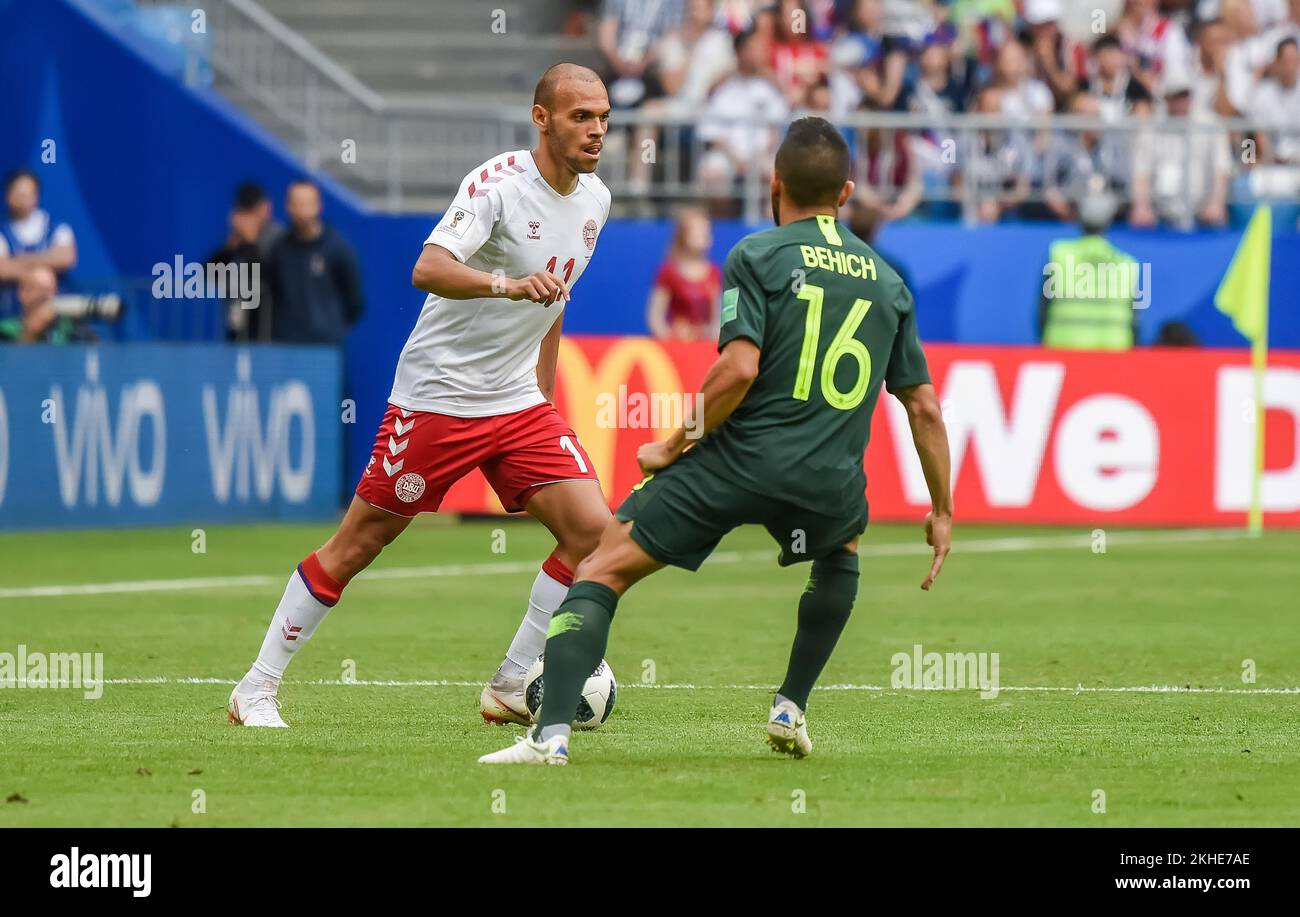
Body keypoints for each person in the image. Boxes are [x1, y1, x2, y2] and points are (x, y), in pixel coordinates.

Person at [480, 117, 954, 766]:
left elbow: (736, 370)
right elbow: (923, 404)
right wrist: (942, 507)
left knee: (602, 568)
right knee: (840, 555)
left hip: (737, 462)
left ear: (774, 182)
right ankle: (790, 704)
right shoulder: (888, 282)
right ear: (846, 192)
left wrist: (674, 443)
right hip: (828, 475)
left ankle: (549, 736)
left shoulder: (757, 255)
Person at [227, 64, 615, 729]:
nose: (598, 131)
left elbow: (556, 295)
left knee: (594, 536)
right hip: (439, 394)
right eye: (582, 117)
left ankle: (512, 680)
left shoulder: (595, 201)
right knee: (358, 544)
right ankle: (256, 687)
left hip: (516, 400)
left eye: (605, 118)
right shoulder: (495, 187)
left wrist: (543, 393)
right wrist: (504, 284)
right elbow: (426, 267)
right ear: (542, 118)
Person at [1039, 188, 1140, 350]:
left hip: (1064, 349)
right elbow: (1135, 321)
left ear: (1079, 218)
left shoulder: (1059, 254)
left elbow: (1042, 311)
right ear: (1109, 221)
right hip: (1114, 354)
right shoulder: (1127, 264)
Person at [263, 180, 363, 343]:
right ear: (288, 207)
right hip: (286, 345)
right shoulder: (279, 250)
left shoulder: (337, 248)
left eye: (307, 203)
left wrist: (330, 326)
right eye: (297, 203)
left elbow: (354, 300)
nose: (302, 209)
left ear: (319, 205)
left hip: (325, 347)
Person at [207, 181, 283, 341]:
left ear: (265, 208)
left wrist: (250, 243)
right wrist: (229, 248)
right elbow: (207, 275)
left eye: (252, 210)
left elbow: (265, 279)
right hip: (238, 327)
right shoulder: (235, 243)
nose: (248, 218)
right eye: (243, 211)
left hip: (268, 330)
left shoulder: (279, 239)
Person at [0, 170, 77, 316]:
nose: (22, 198)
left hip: (58, 310)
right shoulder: (2, 231)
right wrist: (34, 278)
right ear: (8, 195)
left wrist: (20, 260)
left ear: (36, 196)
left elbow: (65, 258)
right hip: (11, 312)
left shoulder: (58, 228)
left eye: (27, 194)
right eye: (18, 192)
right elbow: (2, 269)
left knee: (44, 279)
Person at [647, 209, 722, 340]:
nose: (703, 236)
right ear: (683, 235)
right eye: (697, 231)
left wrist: (712, 337)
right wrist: (669, 337)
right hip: (677, 345)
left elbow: (717, 317)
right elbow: (655, 317)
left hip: (705, 346)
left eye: (706, 232)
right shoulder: (669, 272)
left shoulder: (714, 272)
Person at [0, 265, 92, 344]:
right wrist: (30, 333)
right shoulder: (5, 331)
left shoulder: (71, 330)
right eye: (41, 290)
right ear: (23, 293)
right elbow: (10, 361)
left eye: (52, 290)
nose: (48, 296)